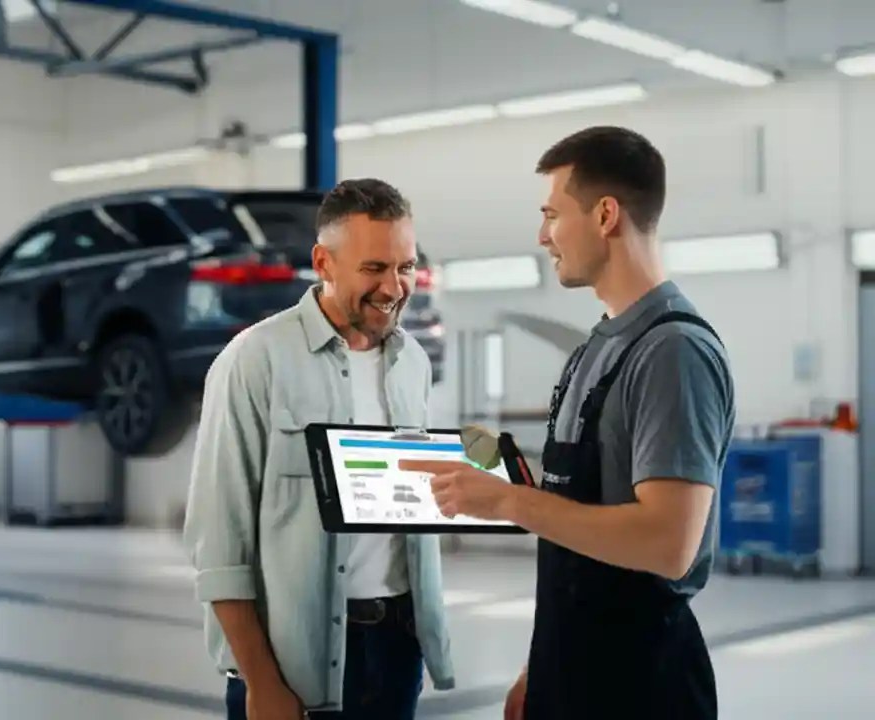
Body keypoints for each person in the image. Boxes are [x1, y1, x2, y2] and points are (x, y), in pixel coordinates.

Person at [400, 126, 735, 720]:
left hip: (639, 686)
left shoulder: (672, 352)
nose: (542, 235)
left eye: (552, 214)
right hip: (572, 668)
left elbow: (668, 543)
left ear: (606, 214)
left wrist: (510, 503)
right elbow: (577, 533)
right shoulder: (595, 349)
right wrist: (540, 664)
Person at [183, 178, 455, 719]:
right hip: (292, 661)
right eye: (373, 269)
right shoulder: (254, 360)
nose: (395, 287)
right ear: (324, 264)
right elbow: (219, 546)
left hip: (398, 648)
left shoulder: (413, 364)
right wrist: (261, 680)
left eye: (404, 267)